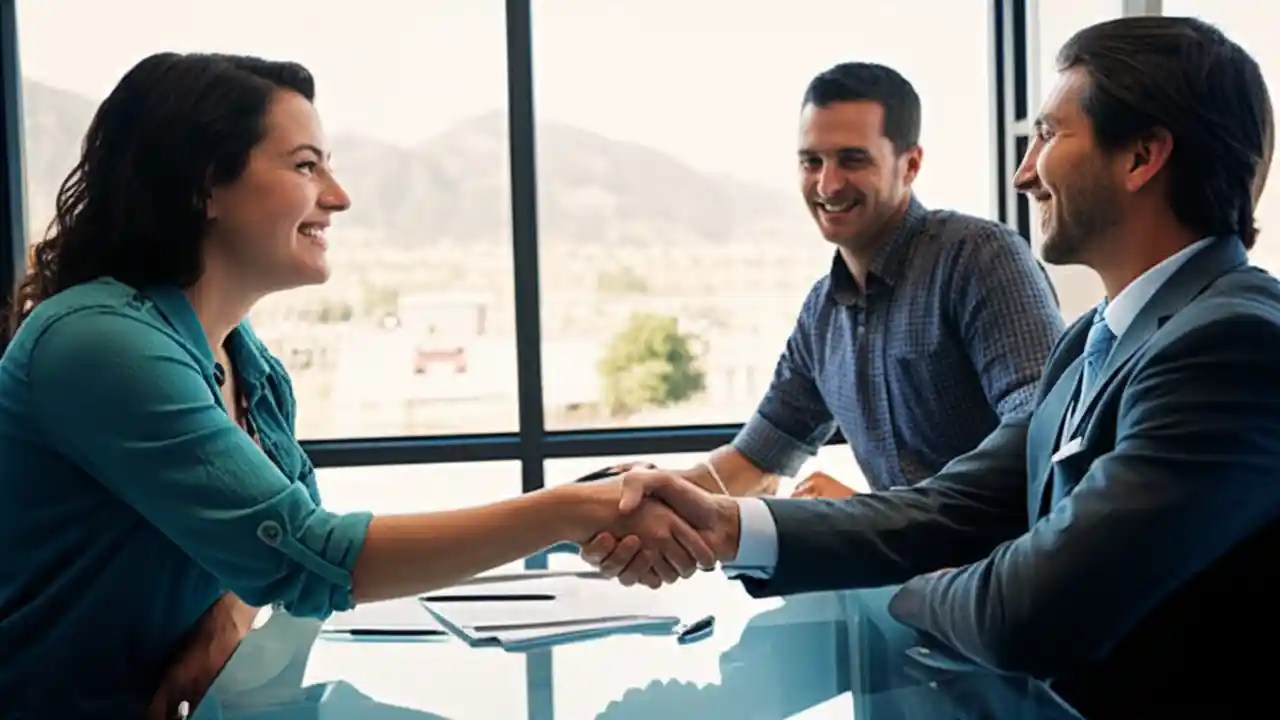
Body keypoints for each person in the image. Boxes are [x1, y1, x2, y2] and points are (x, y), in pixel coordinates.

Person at [594, 16, 1278, 718]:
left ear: (1141, 157)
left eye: (1047, 134)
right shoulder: (1090, 344)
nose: (1024, 173)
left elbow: (1030, 613)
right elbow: (952, 504)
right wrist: (725, 526)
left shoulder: (1232, 346)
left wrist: (907, 589)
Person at [0, 53, 713, 719]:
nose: (337, 197)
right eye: (306, 165)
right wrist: (570, 510)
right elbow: (304, 555)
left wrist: (230, 607)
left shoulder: (247, 362)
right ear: (203, 186)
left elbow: (268, 546)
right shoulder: (98, 344)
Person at [583, 61, 1064, 579]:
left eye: (851, 160)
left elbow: (1042, 430)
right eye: (811, 161)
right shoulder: (822, 313)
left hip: (1009, 589)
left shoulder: (978, 258)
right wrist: (657, 493)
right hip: (908, 591)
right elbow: (754, 463)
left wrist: (859, 513)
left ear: (911, 164)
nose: (828, 183)